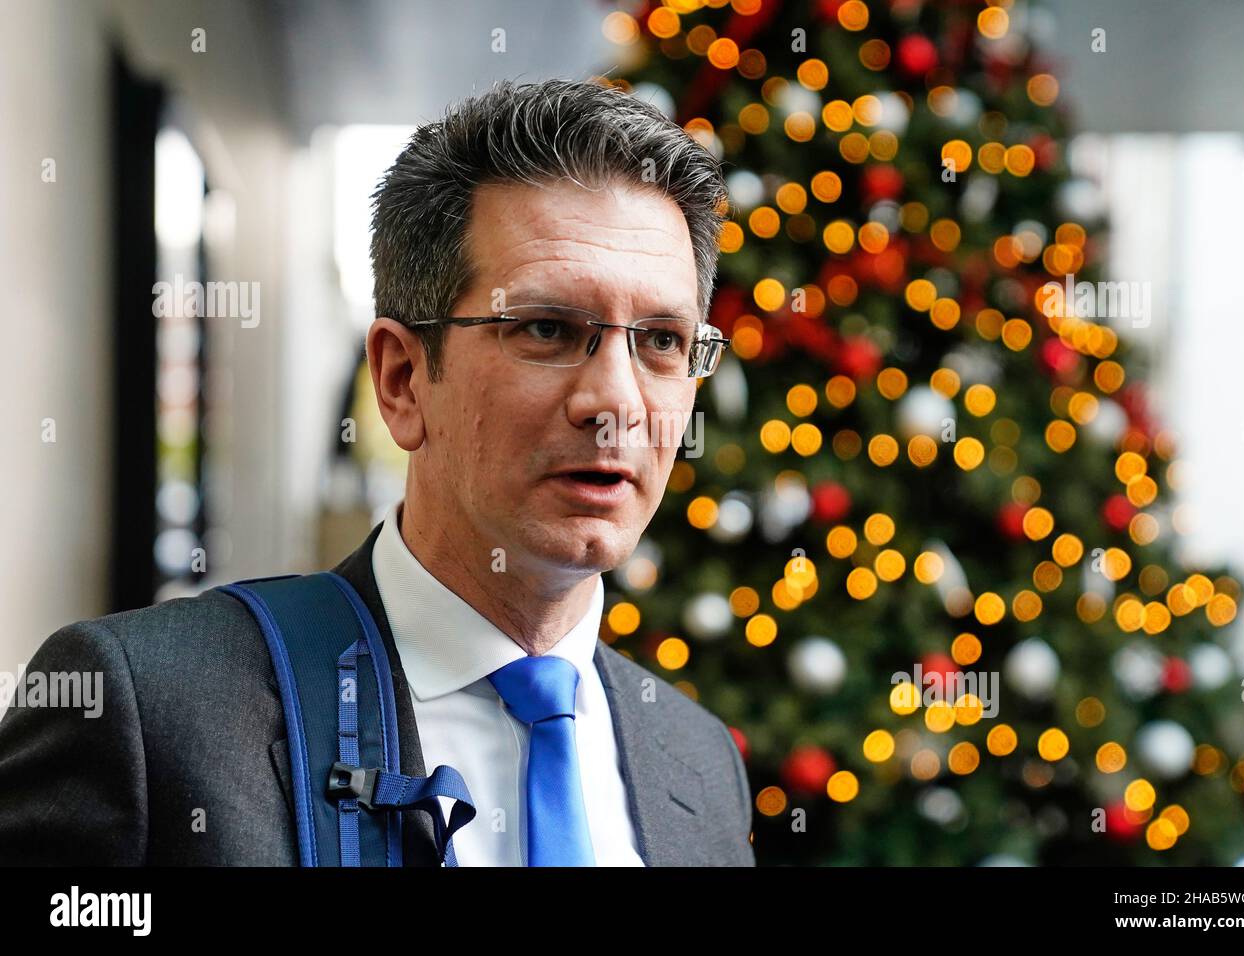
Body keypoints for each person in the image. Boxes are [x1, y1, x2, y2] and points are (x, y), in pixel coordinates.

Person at [0, 77, 754, 866]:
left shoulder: (699, 766)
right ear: (401, 379)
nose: (617, 401)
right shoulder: (146, 711)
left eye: (662, 340)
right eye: (545, 328)